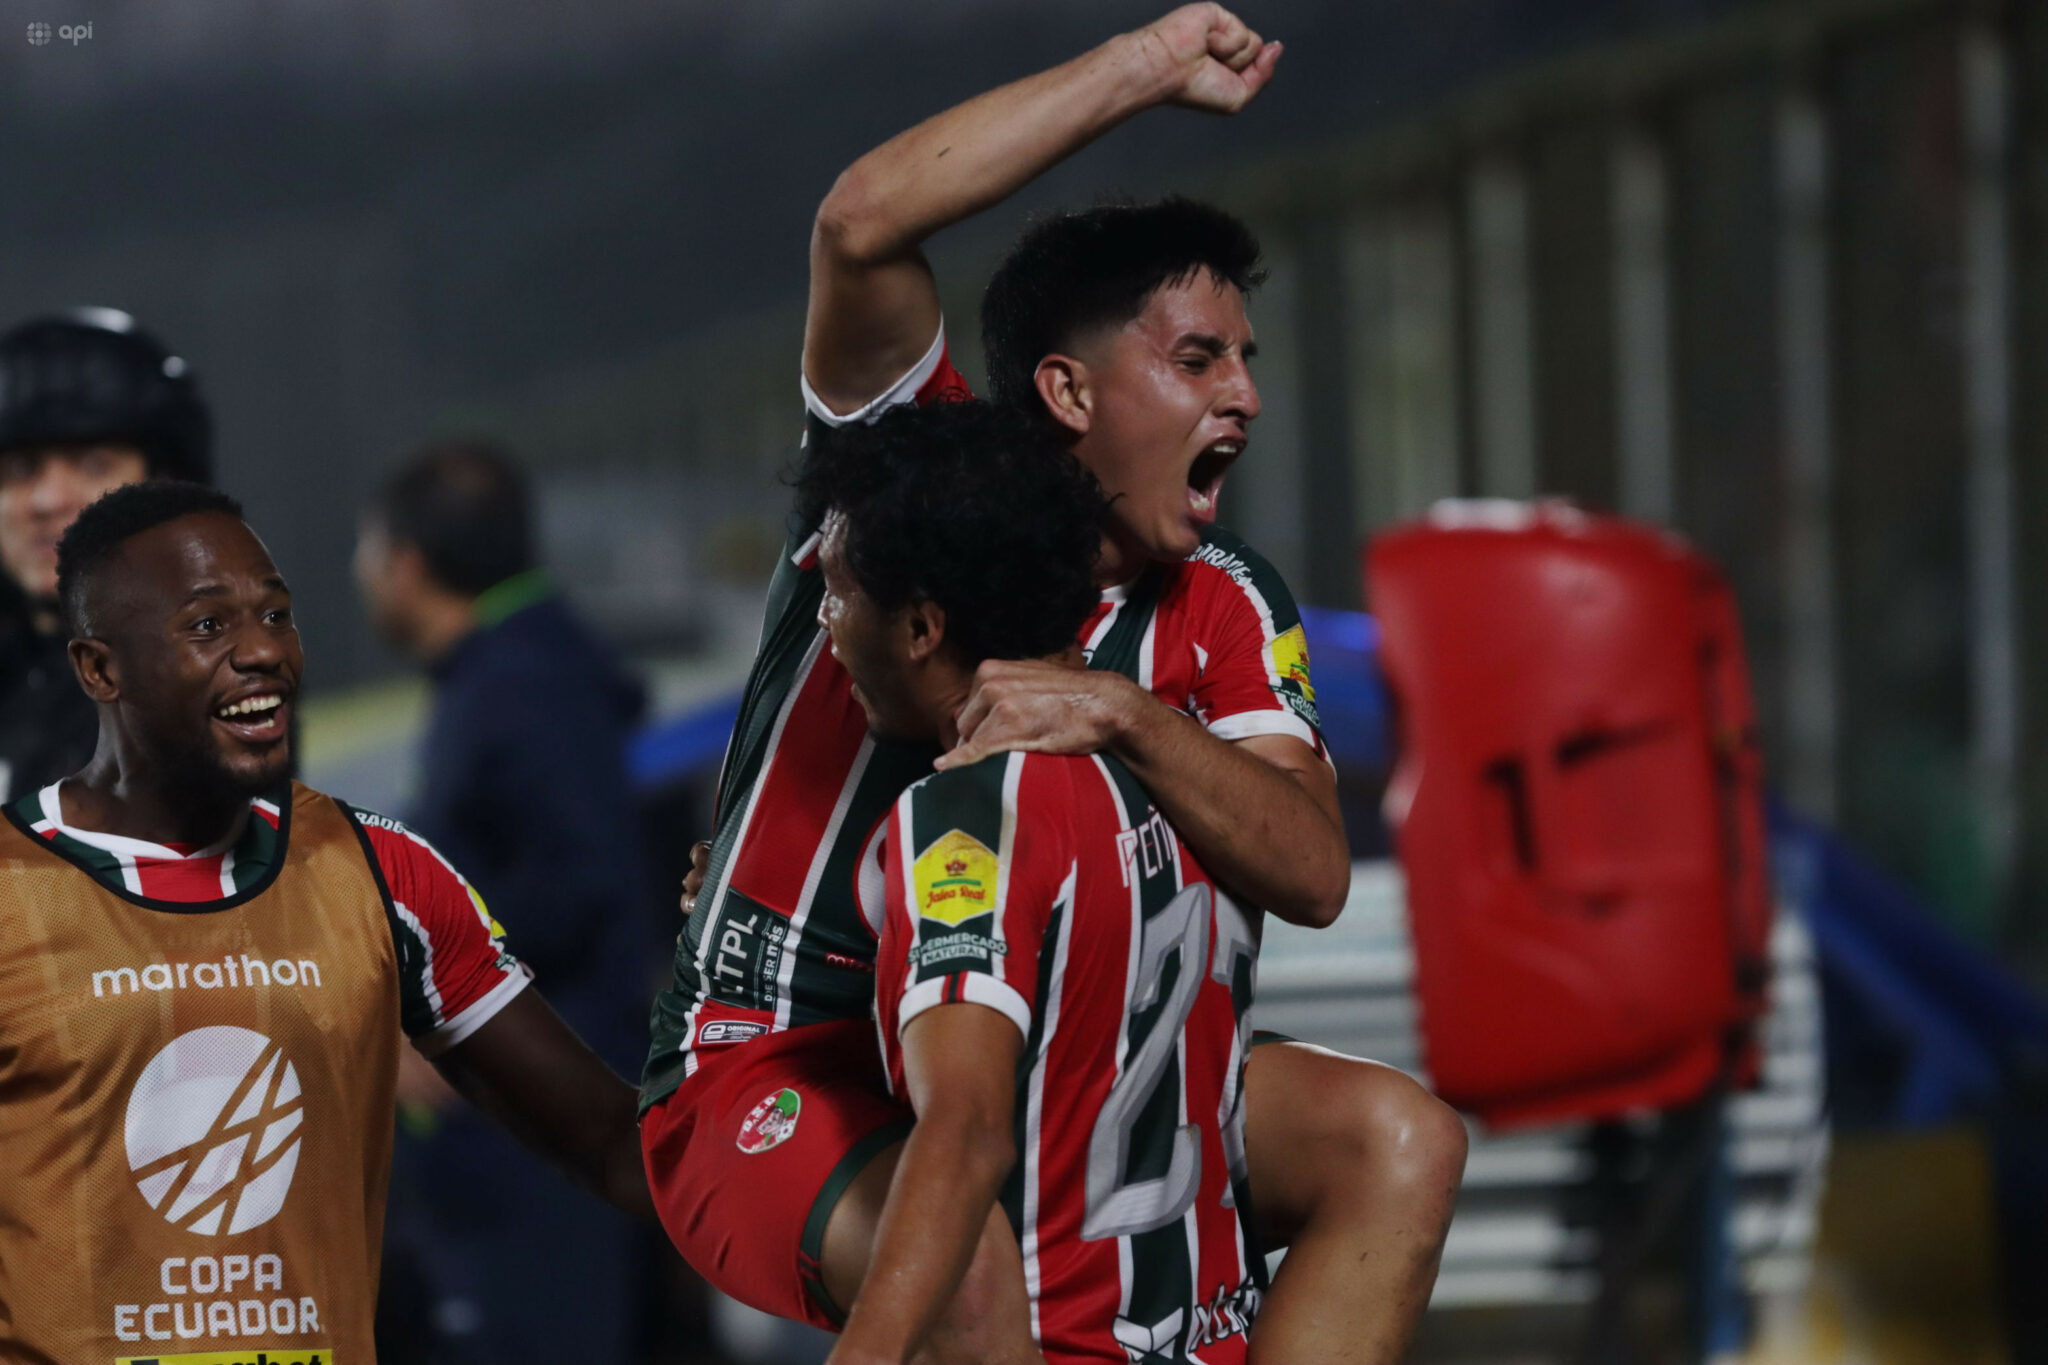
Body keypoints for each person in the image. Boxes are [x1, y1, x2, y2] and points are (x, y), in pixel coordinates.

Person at [644, 5, 1466, 1361]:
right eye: (1198, 360)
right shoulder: (902, 491)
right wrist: (1147, 69)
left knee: (1398, 1137)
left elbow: (1313, 872)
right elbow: (860, 224)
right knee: (967, 1266)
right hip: (796, 1058)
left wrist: (1133, 720)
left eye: (1247, 361)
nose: (1244, 398)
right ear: (1070, 392)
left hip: (1055, 1073)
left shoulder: (1219, 604)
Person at [0, 480, 650, 1362]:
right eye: (207, 627)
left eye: (276, 615)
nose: (262, 650)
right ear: (99, 668)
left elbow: (612, 1138)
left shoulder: (384, 873)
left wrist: (865, 1255)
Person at [811, 401, 1264, 1365]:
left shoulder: (968, 816)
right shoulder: (1177, 780)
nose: (826, 621)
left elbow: (968, 1130)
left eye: (841, 591)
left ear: (924, 625)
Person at [353, 438, 657, 1362]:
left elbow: (581, 882)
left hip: (538, 1138)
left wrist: (428, 989)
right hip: (526, 1130)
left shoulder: (521, 686)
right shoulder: (521, 670)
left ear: (406, 564)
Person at [0, 308, 212, 804]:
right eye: (20, 468)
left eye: (93, 464)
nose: (47, 500)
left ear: (165, 486)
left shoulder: (199, 680)